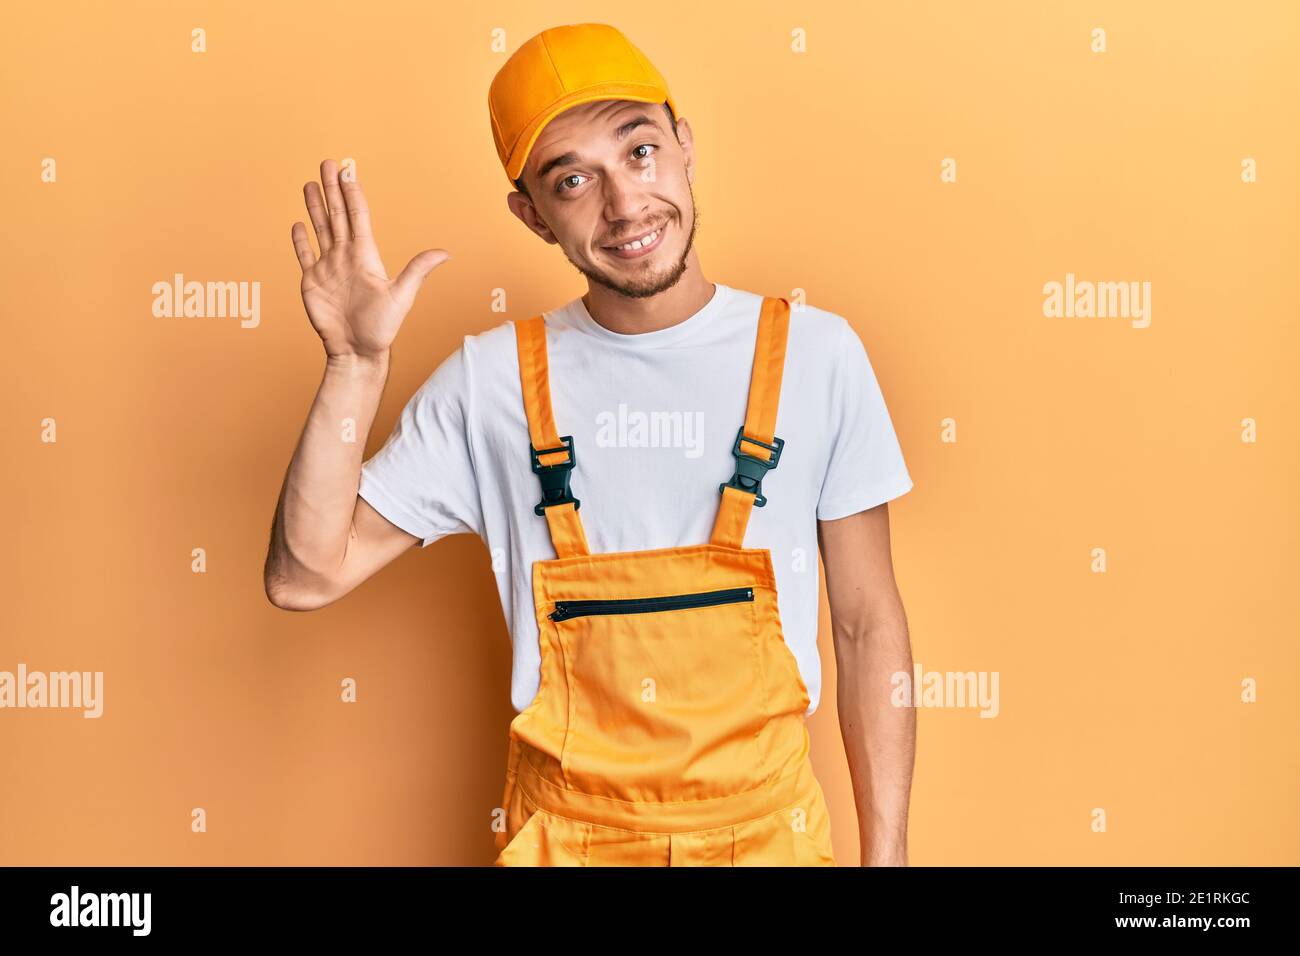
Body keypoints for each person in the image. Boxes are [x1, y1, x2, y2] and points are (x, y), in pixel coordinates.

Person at [264, 22, 916, 867]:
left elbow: (868, 626)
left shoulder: (819, 356)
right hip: (564, 847)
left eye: (640, 151)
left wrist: (890, 857)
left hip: (772, 842)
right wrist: (355, 366)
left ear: (684, 144)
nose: (625, 204)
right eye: (573, 180)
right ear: (532, 216)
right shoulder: (490, 383)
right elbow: (304, 575)